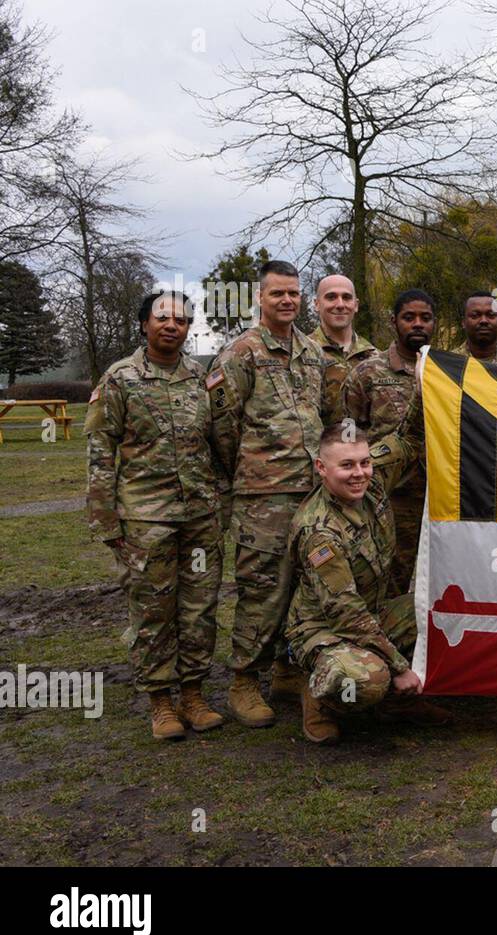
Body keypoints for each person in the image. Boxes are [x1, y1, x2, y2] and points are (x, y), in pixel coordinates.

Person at [85, 291, 226, 740]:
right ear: (144, 323)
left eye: (182, 320)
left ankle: (194, 694)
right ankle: (160, 702)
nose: (173, 326)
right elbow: (100, 453)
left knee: (199, 607)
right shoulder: (120, 378)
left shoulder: (199, 378)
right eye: (162, 318)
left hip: (200, 517)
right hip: (146, 519)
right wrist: (107, 523)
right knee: (153, 611)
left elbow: (218, 444)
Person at [207, 259, 327, 727]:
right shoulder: (241, 353)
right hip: (264, 494)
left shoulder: (312, 352)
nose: (287, 300)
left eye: (294, 292)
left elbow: (323, 414)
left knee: (303, 583)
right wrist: (253, 467)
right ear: (259, 297)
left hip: (311, 492)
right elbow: (222, 426)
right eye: (277, 293)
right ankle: (243, 681)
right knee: (262, 588)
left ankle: (286, 669)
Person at [287, 423, 451, 744]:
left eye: (364, 462)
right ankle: (322, 697)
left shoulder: (369, 481)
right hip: (324, 630)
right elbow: (346, 616)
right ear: (321, 467)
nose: (359, 473)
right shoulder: (320, 532)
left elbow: (408, 437)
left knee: (439, 612)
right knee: (367, 679)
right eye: (346, 466)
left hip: (371, 614)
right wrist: (401, 668)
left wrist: (423, 376)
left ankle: (395, 704)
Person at [342, 289, 434, 592]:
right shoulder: (367, 373)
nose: (417, 324)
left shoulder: (446, 372)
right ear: (394, 322)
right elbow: (347, 436)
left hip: (440, 496)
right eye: (409, 318)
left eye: (425, 318)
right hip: (391, 498)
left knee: (440, 581)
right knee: (392, 577)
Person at [310, 274, 376, 425]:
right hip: (319, 446)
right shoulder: (301, 354)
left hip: (365, 447)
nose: (340, 304)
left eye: (346, 297)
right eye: (331, 297)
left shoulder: (375, 358)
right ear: (317, 304)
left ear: (356, 305)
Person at [454, 290, 497, 363]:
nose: (484, 321)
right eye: (475, 316)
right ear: (463, 322)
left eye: (491, 315)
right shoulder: (447, 363)